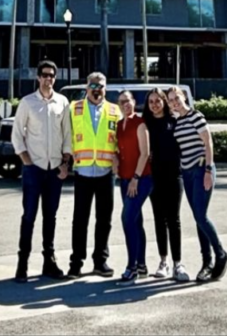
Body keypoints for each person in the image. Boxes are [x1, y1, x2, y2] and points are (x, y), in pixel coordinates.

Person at [10, 59, 72, 282]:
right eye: (44, 75)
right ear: (38, 77)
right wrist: (26, 160)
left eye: (52, 75)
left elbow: (67, 135)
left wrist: (65, 163)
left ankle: (49, 262)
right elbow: (17, 134)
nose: (48, 79)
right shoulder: (27, 103)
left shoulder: (62, 102)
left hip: (54, 170)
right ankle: (22, 263)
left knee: (50, 217)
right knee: (29, 216)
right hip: (33, 169)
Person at [166, 85, 227, 283]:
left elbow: (208, 142)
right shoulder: (177, 122)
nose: (175, 102)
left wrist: (209, 170)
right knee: (197, 218)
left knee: (201, 216)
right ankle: (207, 263)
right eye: (171, 100)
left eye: (177, 98)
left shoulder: (196, 116)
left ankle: (221, 254)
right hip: (187, 172)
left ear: (183, 96)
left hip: (202, 169)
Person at [68, 71, 120, 277]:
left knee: (104, 219)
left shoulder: (115, 110)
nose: (97, 89)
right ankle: (76, 263)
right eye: (93, 85)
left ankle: (100, 261)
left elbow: (121, 140)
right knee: (80, 220)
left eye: (101, 86)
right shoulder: (74, 108)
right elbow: (65, 136)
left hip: (106, 172)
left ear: (106, 88)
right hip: (83, 171)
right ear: (86, 87)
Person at [143, 88, 190, 282]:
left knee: (174, 220)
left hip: (174, 177)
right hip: (155, 178)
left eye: (158, 100)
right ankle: (163, 262)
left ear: (165, 102)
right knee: (159, 220)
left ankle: (178, 263)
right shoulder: (145, 125)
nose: (154, 104)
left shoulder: (175, 122)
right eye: (151, 101)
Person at [115, 90, 151, 281]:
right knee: (136, 221)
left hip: (141, 179)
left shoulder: (140, 123)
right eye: (121, 102)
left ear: (133, 102)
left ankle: (132, 267)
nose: (125, 105)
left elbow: (145, 153)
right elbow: (119, 149)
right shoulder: (119, 125)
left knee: (127, 219)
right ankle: (142, 265)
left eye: (128, 101)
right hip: (125, 179)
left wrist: (136, 178)